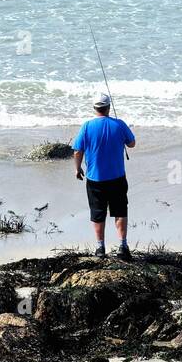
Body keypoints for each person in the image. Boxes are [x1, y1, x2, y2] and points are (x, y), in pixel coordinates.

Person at [72, 94, 136, 260]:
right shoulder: (119, 124)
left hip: (95, 179)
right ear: (108, 107)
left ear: (95, 108)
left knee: (97, 212)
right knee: (120, 211)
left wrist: (77, 169)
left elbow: (78, 151)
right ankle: (122, 246)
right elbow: (132, 143)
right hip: (117, 177)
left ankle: (100, 248)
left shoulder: (86, 126)